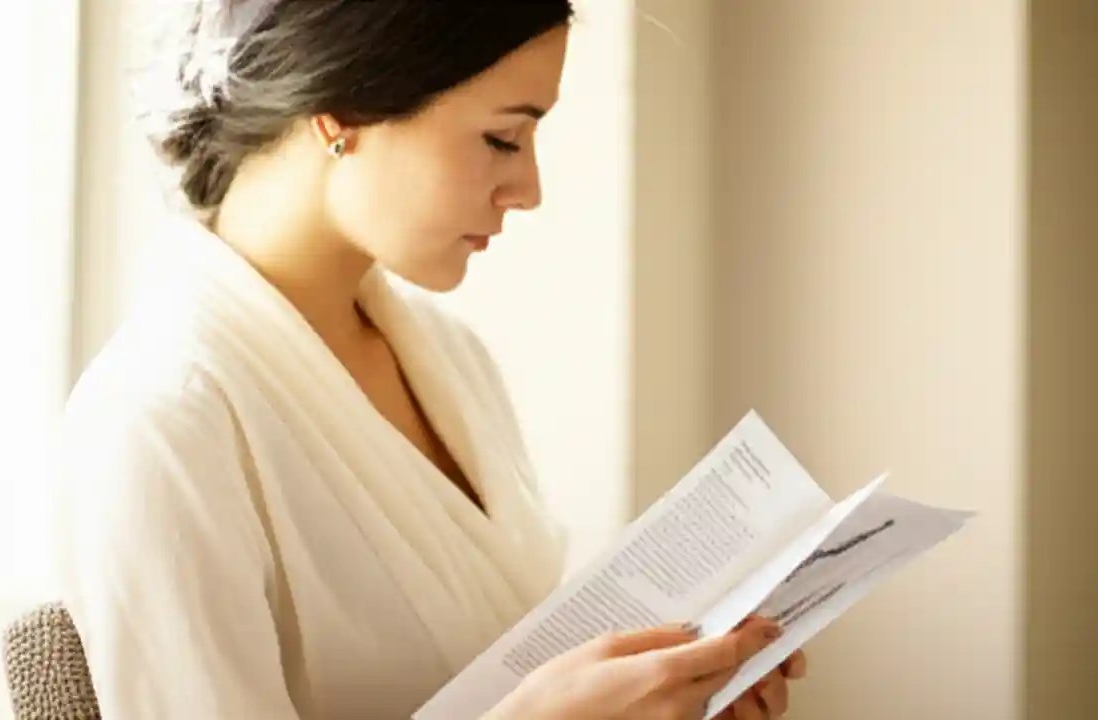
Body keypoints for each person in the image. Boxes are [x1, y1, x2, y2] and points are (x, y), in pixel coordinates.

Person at [52, 1, 807, 718]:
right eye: (502, 139)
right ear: (343, 111)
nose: (529, 190)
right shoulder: (162, 419)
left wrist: (666, 682)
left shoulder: (453, 361)